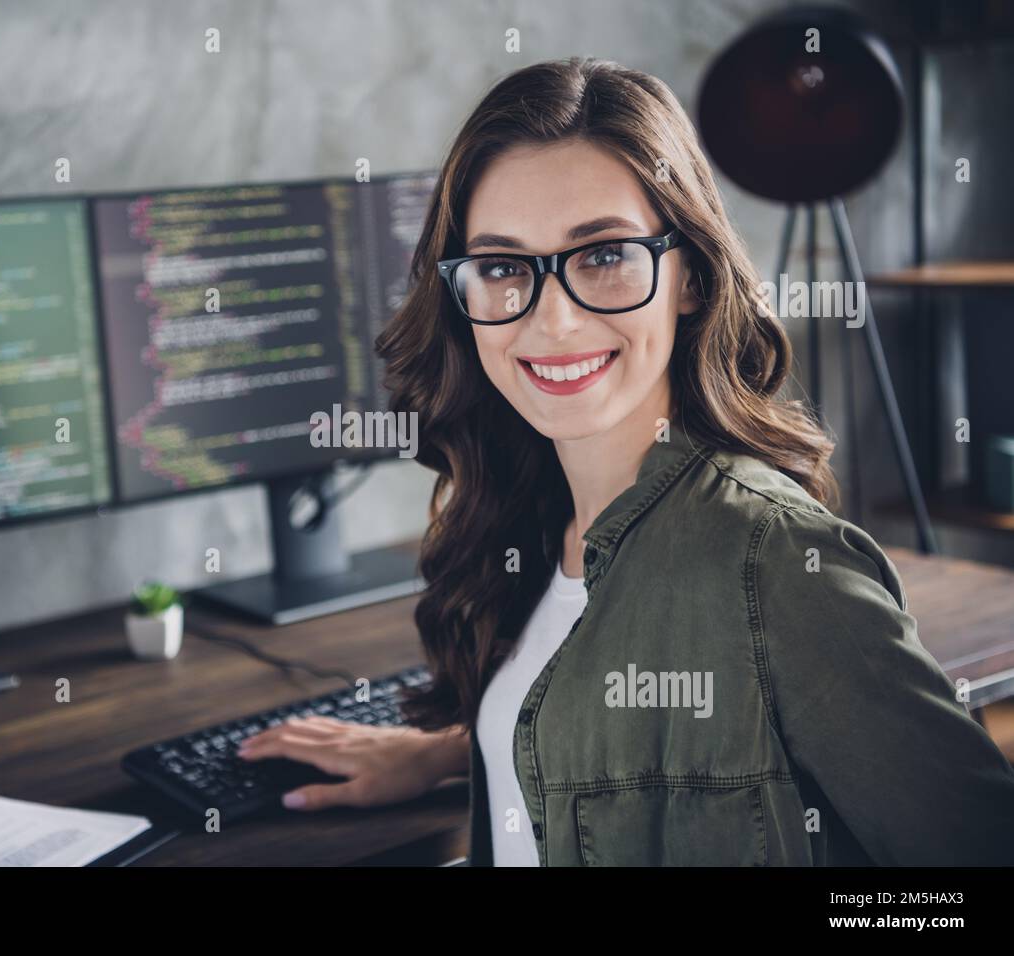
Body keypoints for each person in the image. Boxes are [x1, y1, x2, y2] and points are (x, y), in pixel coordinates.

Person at [238, 57, 1014, 865]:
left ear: (690, 276)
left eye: (603, 254)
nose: (555, 320)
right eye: (504, 267)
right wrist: (463, 751)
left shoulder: (778, 566)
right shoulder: (531, 520)